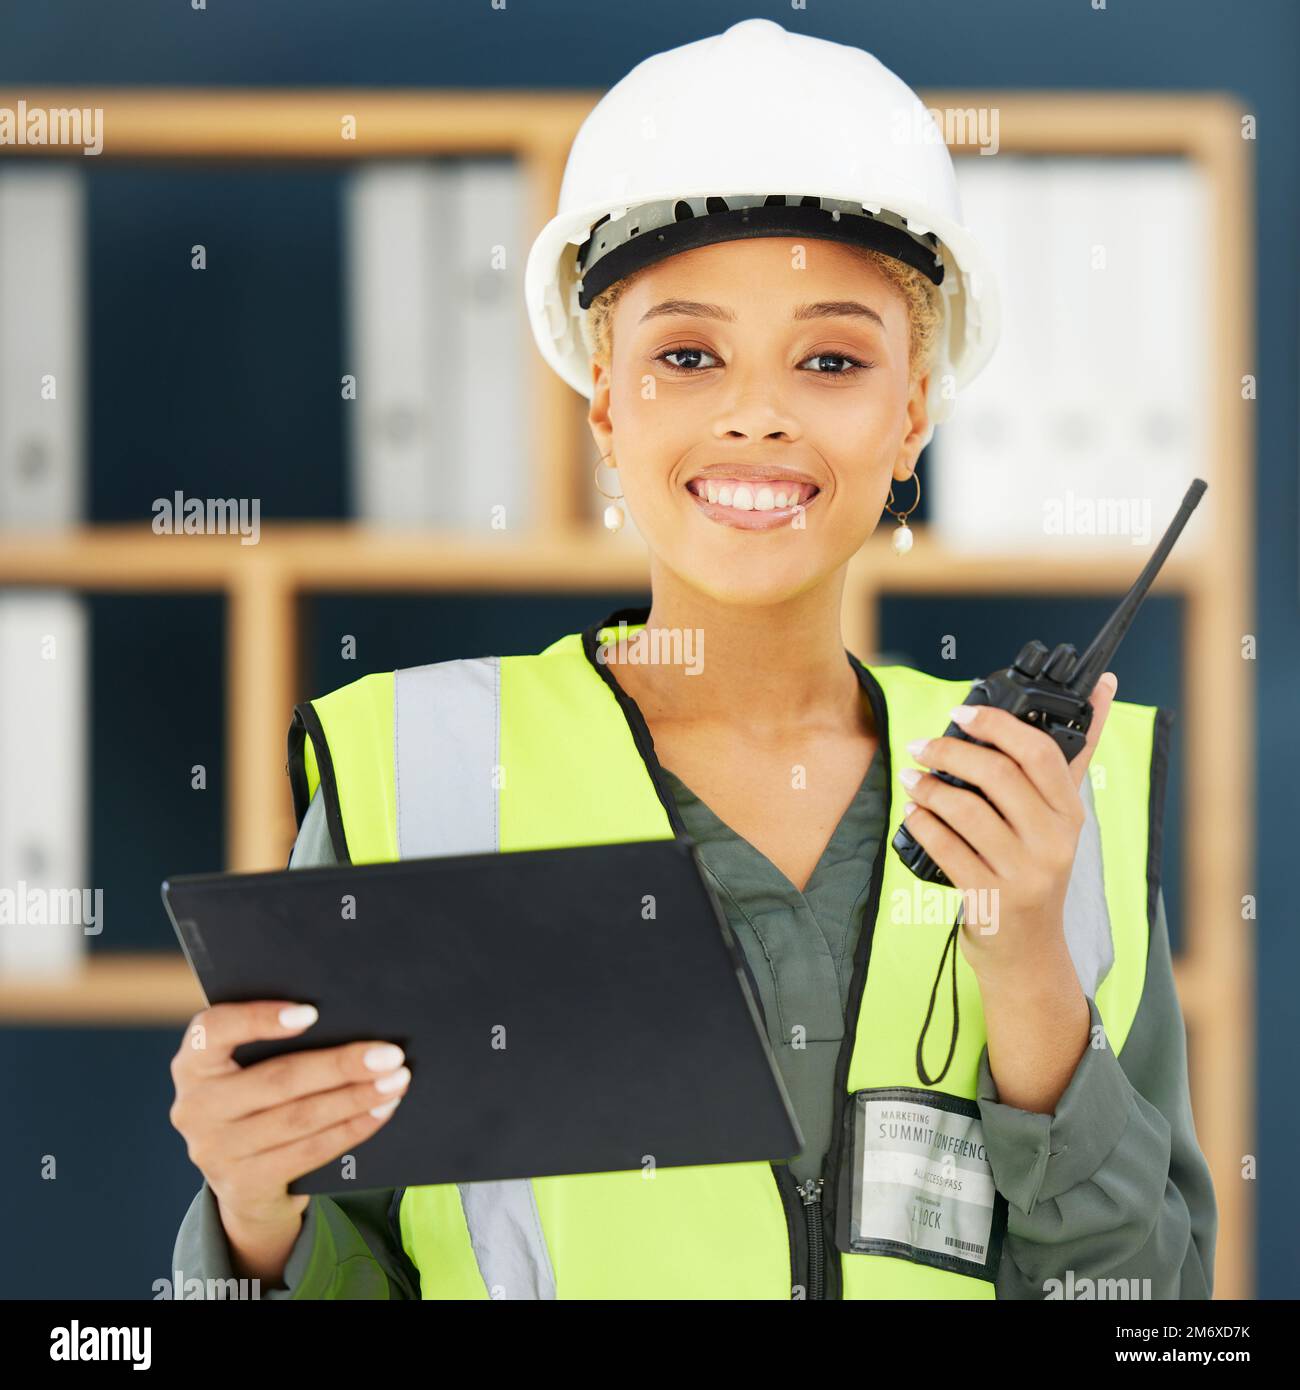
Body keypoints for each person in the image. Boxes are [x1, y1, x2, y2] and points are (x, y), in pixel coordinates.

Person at [169, 18, 1216, 1300]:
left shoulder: (1056, 813)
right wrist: (253, 1211)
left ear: (913, 413)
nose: (755, 411)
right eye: (686, 354)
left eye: (830, 358)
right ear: (605, 400)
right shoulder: (418, 780)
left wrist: (1032, 979)